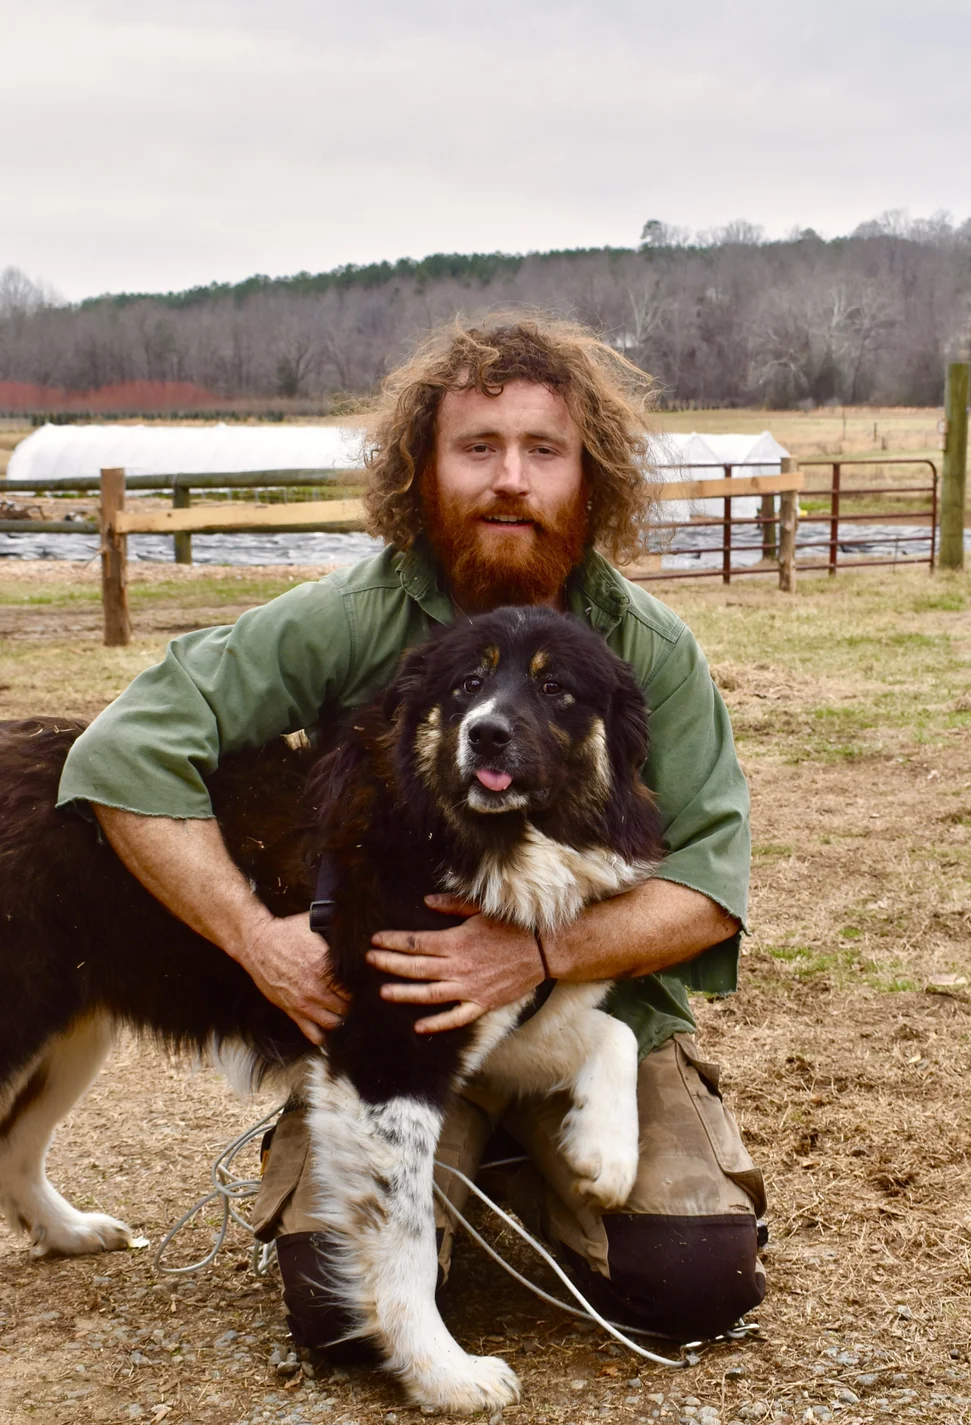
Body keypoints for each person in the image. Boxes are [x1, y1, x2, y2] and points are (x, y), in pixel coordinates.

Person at [58, 316, 766, 1349]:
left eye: (543, 450)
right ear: (421, 471)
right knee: (336, 1317)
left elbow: (707, 886)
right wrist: (257, 939)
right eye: (477, 447)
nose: (509, 479)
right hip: (399, 1021)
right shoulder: (348, 618)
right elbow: (124, 753)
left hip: (585, 1021)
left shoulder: (645, 652)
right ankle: (427, 1165)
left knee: (694, 1284)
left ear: (592, 476)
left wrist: (530, 954)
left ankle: (521, 1171)